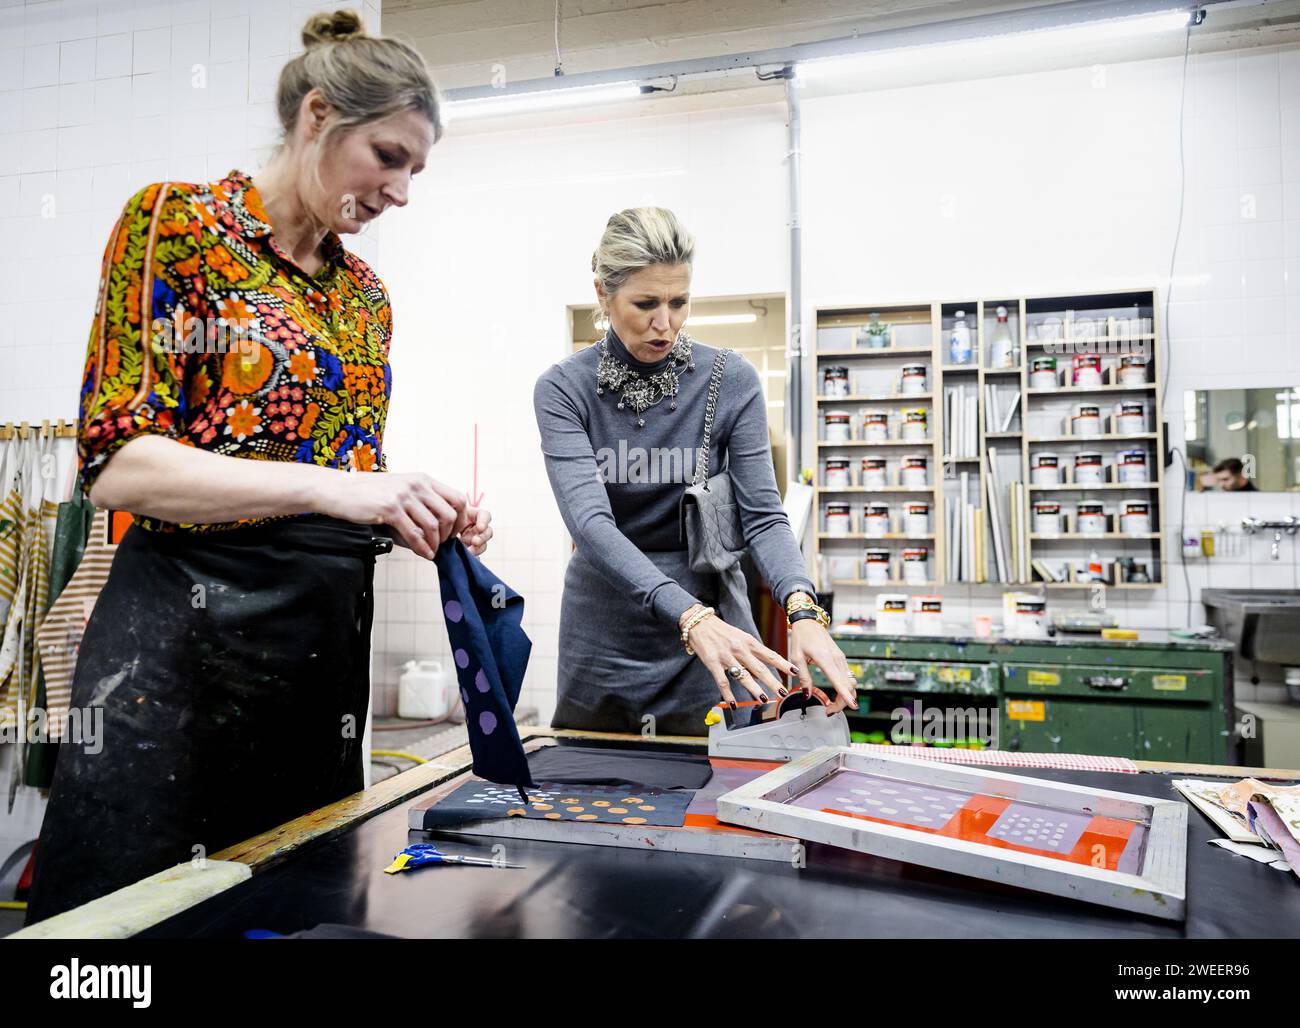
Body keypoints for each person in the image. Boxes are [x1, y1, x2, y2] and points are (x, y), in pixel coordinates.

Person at [25, 10, 492, 924]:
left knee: (290, 900)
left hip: (317, 659)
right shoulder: (178, 223)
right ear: (318, 115)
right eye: (388, 156)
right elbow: (119, 463)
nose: (401, 191)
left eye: (416, 170)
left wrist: (412, 510)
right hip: (180, 645)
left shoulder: (364, 297)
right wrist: (339, 488)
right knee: (135, 919)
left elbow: (343, 475)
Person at [533, 208, 857, 737]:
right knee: (591, 781)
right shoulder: (565, 388)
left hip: (710, 635)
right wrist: (690, 617)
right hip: (605, 633)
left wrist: (802, 609)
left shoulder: (730, 380)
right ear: (602, 294)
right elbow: (591, 527)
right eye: (646, 304)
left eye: (678, 302)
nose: (666, 323)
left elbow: (764, 518)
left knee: (713, 783)